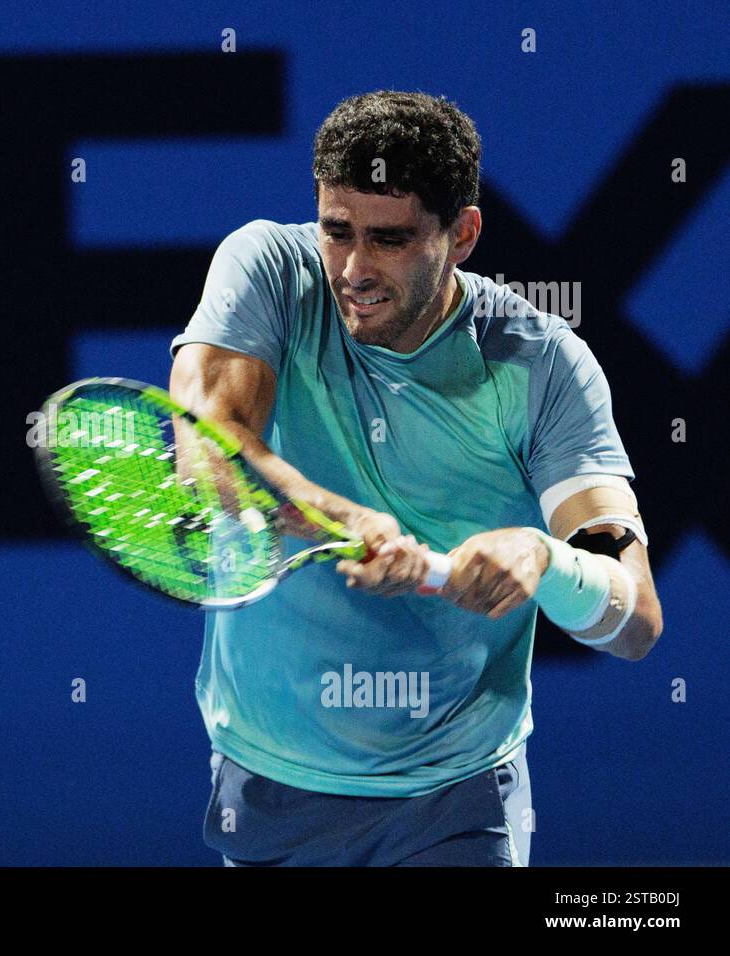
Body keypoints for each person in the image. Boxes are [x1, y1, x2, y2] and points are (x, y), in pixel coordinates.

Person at [168, 90, 663, 867]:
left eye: (391, 240)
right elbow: (209, 453)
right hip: (266, 783)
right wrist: (344, 520)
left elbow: (634, 620)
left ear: (462, 234)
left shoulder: (541, 365)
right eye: (337, 231)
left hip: (457, 798)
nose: (354, 270)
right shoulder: (269, 267)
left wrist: (545, 559)